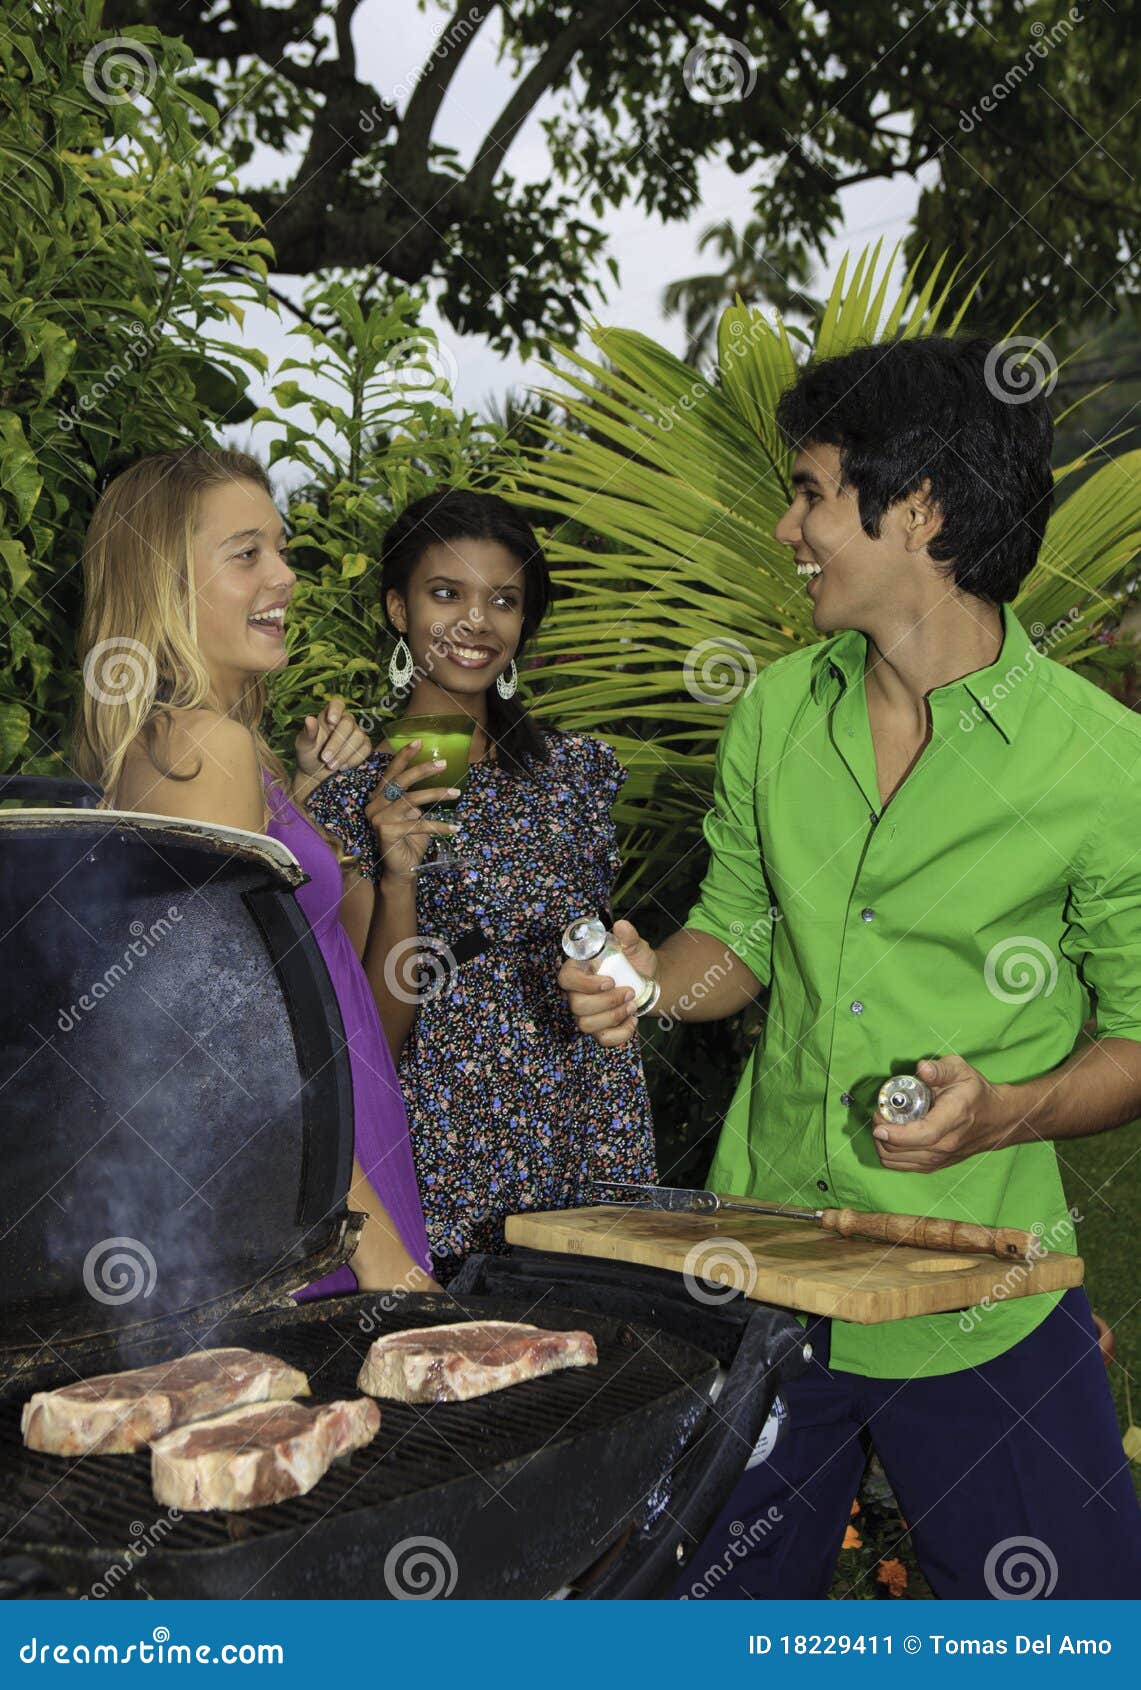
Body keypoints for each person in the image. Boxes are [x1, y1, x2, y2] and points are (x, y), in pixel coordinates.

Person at [560, 335, 1141, 1600]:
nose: (787, 527)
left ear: (918, 508)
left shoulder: (1103, 766)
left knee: (1075, 1639)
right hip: (757, 1266)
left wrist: (1008, 1111)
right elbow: (740, 938)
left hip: (979, 1278)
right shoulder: (775, 712)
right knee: (680, 1633)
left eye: (813, 490)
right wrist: (654, 982)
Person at [72, 447, 434, 1298]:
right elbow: (233, 1043)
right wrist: (374, 1252)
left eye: (281, 548)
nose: (285, 576)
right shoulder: (204, 750)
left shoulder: (202, 751)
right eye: (247, 554)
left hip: (323, 1169)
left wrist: (306, 804)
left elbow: (320, 966)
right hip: (308, 1204)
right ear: (165, 582)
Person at [307, 487, 657, 1280]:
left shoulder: (576, 771)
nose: (475, 622)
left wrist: (637, 969)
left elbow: (602, 952)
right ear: (398, 609)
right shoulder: (352, 795)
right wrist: (398, 880)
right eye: (445, 594)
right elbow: (372, 1038)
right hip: (447, 1145)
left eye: (503, 600)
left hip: (586, 1123)